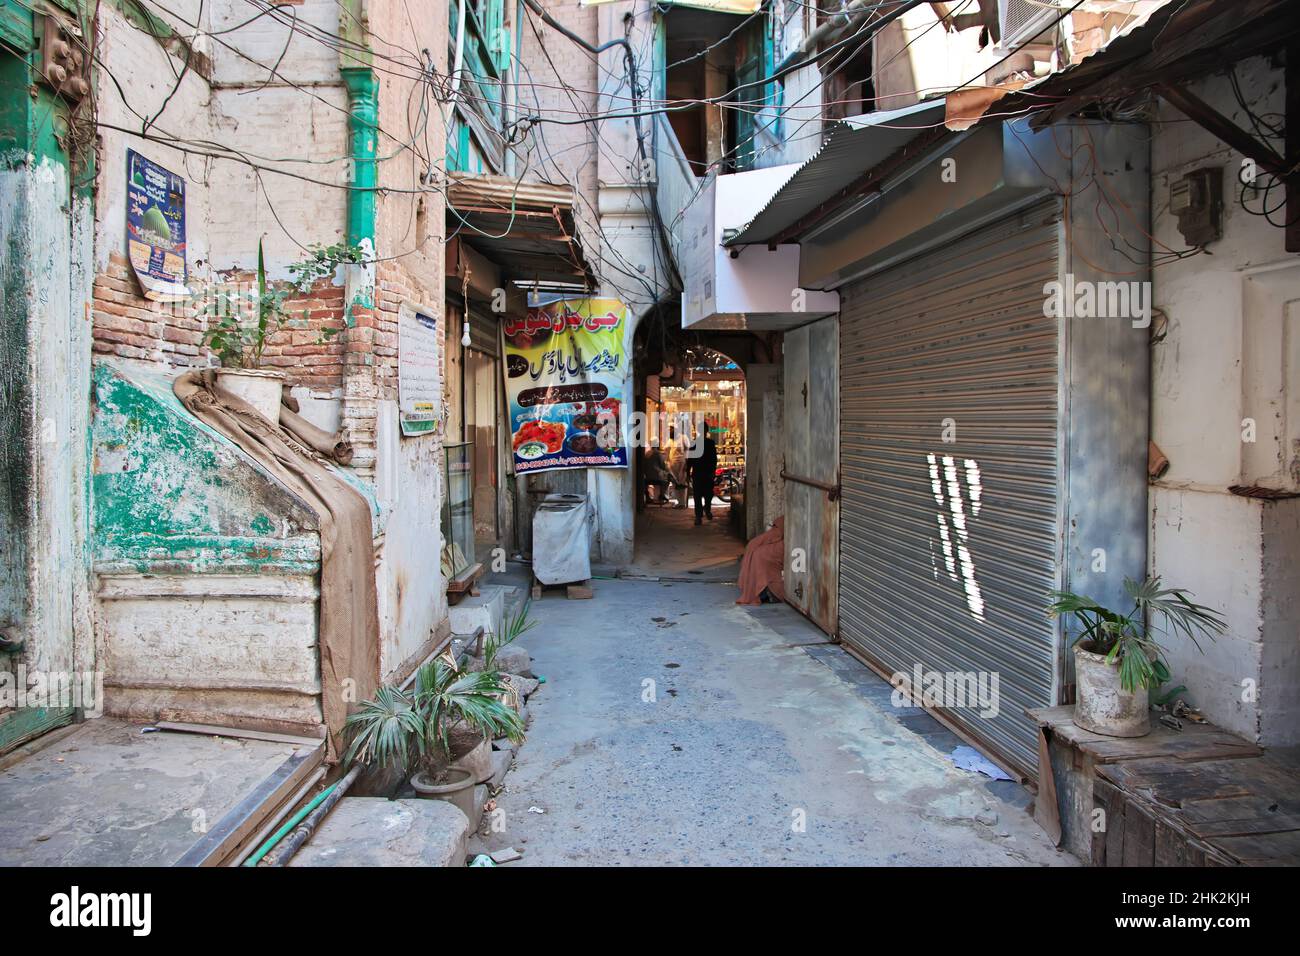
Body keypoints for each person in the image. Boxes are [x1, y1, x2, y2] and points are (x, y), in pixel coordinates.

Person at [686, 428, 718, 525]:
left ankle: (703, 512)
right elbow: (714, 459)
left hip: (701, 473)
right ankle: (701, 514)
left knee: (702, 494)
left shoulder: (707, 443)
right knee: (703, 494)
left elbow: (690, 460)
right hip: (704, 473)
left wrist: (688, 472)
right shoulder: (708, 443)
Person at [664, 423, 689, 509]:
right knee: (675, 483)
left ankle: (683, 503)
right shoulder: (670, 440)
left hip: (682, 464)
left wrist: (686, 463)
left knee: (682, 483)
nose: (669, 431)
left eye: (671, 429)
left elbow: (688, 451)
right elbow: (666, 450)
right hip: (672, 465)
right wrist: (667, 462)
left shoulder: (683, 438)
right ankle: (679, 502)